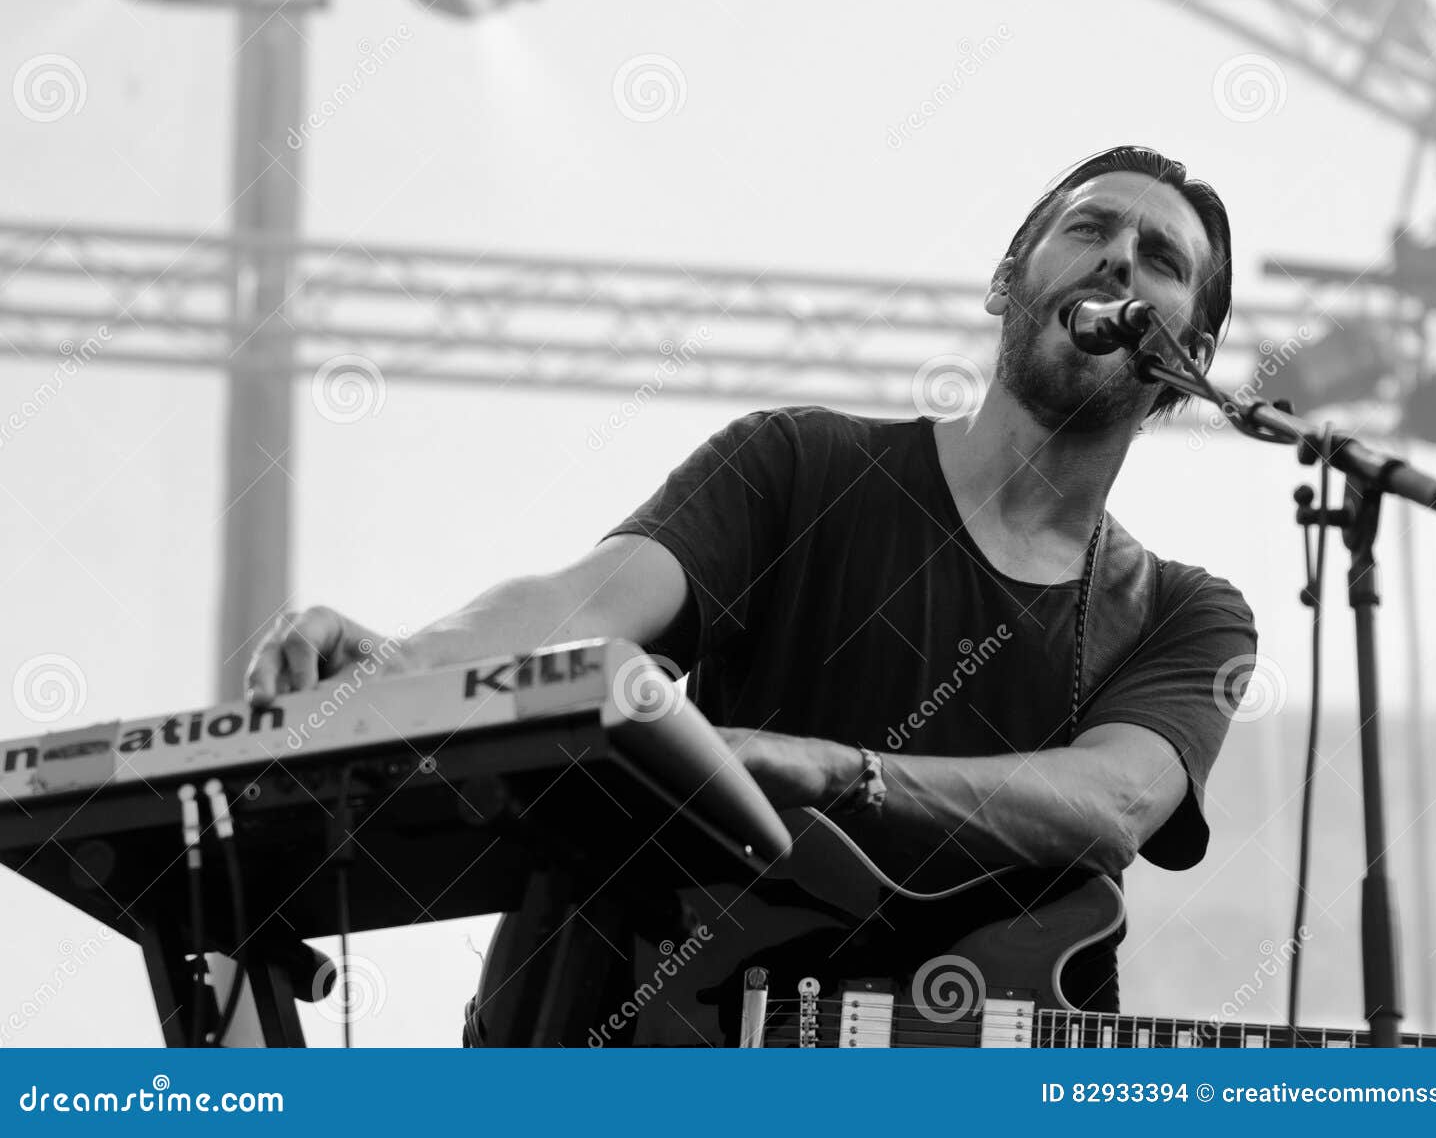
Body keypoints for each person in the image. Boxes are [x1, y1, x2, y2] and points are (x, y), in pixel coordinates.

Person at [245, 145, 1259, 1045]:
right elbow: (578, 610)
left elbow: (1114, 800)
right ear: (1007, 281)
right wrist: (403, 670)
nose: (1120, 257)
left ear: (1192, 360)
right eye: (1088, 228)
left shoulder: (1183, 613)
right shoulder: (800, 465)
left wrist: (835, 772)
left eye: (1161, 258)